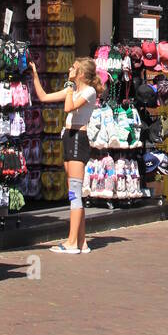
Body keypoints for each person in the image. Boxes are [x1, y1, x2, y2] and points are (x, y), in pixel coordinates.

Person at [30, 56, 101, 254]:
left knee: (75, 192)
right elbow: (44, 97)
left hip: (79, 137)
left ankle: (71, 243)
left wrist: (69, 84)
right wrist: (35, 75)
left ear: (80, 73)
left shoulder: (88, 91)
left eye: (73, 68)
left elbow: (69, 107)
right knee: (72, 192)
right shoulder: (74, 90)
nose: (69, 69)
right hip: (69, 137)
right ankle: (82, 241)